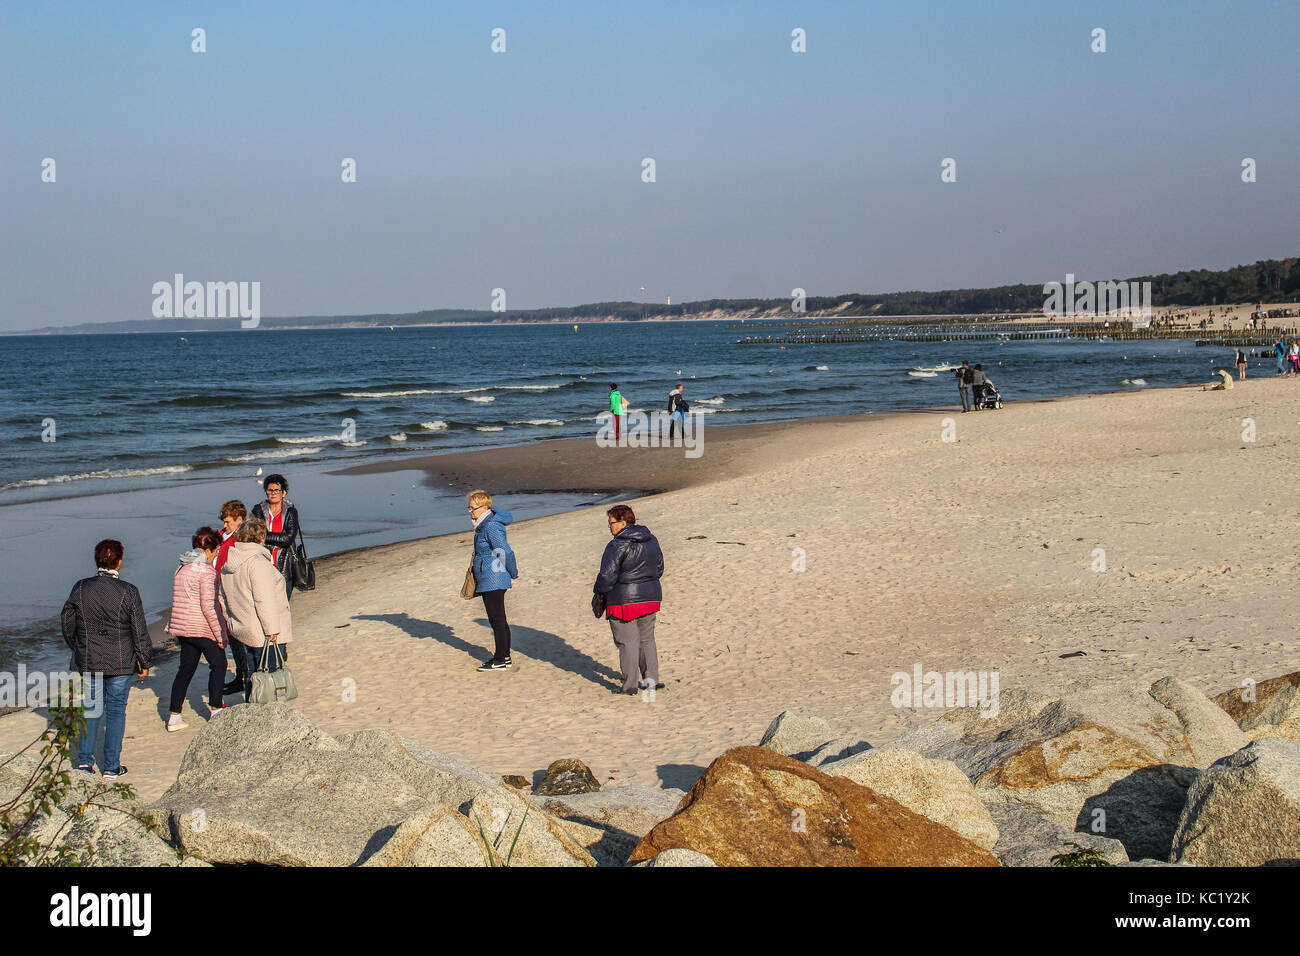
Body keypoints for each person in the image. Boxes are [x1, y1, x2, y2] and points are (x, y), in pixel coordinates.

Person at [61, 539, 152, 778]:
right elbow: (139, 630)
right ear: (119, 562)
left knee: (91, 709)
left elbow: (67, 623)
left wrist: (78, 647)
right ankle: (111, 767)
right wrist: (144, 662)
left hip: (91, 658)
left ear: (97, 560)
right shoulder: (128, 591)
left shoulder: (81, 588)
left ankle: (84, 763)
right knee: (115, 711)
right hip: (121, 661)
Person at [218, 518, 293, 702]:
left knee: (254, 676)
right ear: (260, 538)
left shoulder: (230, 563)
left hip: (245, 629)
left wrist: (232, 621)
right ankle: (267, 718)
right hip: (263, 631)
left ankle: (254, 713)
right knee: (269, 678)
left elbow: (223, 599)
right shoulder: (257, 563)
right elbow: (264, 599)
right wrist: (272, 629)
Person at [594, 504, 665, 696]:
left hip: (624, 600)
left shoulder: (617, 544)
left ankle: (630, 685)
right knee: (647, 639)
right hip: (650, 596)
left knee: (628, 642)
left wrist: (599, 594)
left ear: (624, 522)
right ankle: (651, 680)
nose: (610, 527)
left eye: (612, 523)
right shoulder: (651, 539)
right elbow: (659, 568)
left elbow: (607, 576)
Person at [164, 527, 227, 731]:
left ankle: (174, 715)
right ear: (209, 549)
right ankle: (216, 709)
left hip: (182, 628)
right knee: (219, 664)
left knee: (186, 669)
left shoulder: (181, 567)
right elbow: (209, 606)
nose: (217, 553)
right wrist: (220, 635)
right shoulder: (207, 571)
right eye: (216, 549)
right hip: (200, 627)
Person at [467, 490, 519, 671]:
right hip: (488, 576)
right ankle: (504, 656)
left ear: (484, 507)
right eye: (469, 507)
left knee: (497, 620)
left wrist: (513, 571)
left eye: (472, 508)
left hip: (494, 577)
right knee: (497, 620)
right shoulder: (483, 525)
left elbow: (504, 551)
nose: (469, 511)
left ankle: (500, 659)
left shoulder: (491, 526)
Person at [216, 500, 248, 697]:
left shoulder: (241, 540)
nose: (225, 525)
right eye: (224, 522)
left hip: (234, 592)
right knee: (230, 635)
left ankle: (243, 676)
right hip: (218, 590)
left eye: (228, 522)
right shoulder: (220, 536)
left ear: (239, 520)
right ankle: (240, 676)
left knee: (237, 636)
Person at [250, 474, 299, 600]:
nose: (273, 493)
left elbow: (288, 539)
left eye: (276, 490)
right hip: (262, 563)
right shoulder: (258, 510)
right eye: (269, 490)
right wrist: (278, 538)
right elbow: (254, 535)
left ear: (283, 493)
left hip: (285, 564)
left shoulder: (291, 512)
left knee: (283, 604)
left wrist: (265, 536)